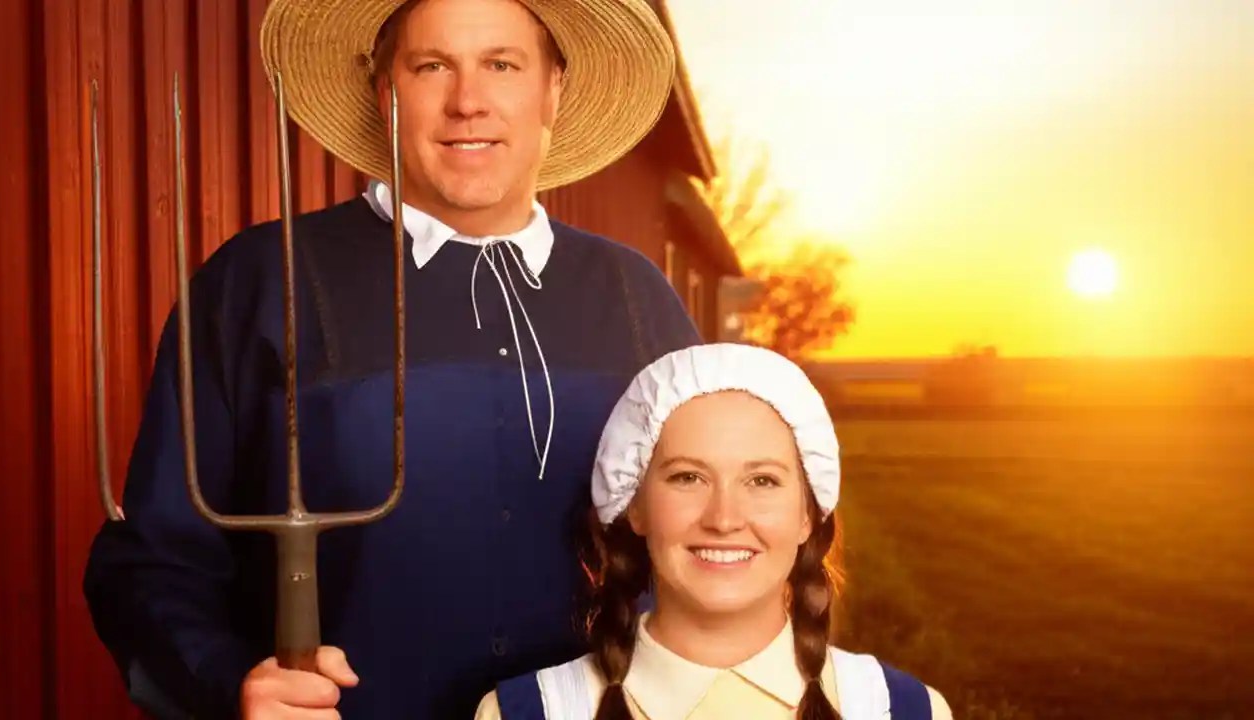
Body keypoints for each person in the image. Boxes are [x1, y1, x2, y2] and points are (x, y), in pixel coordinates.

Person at [82, 0, 699, 717]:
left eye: (501, 65)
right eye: (432, 66)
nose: (468, 102)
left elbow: (714, 544)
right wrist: (228, 682)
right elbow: (154, 561)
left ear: (552, 90)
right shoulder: (262, 282)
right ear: (385, 93)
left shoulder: (635, 298)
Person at [474, 343, 954, 719]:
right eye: (688, 477)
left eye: (762, 481)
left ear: (807, 514)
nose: (724, 519)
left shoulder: (903, 711)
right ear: (635, 506)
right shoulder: (525, 713)